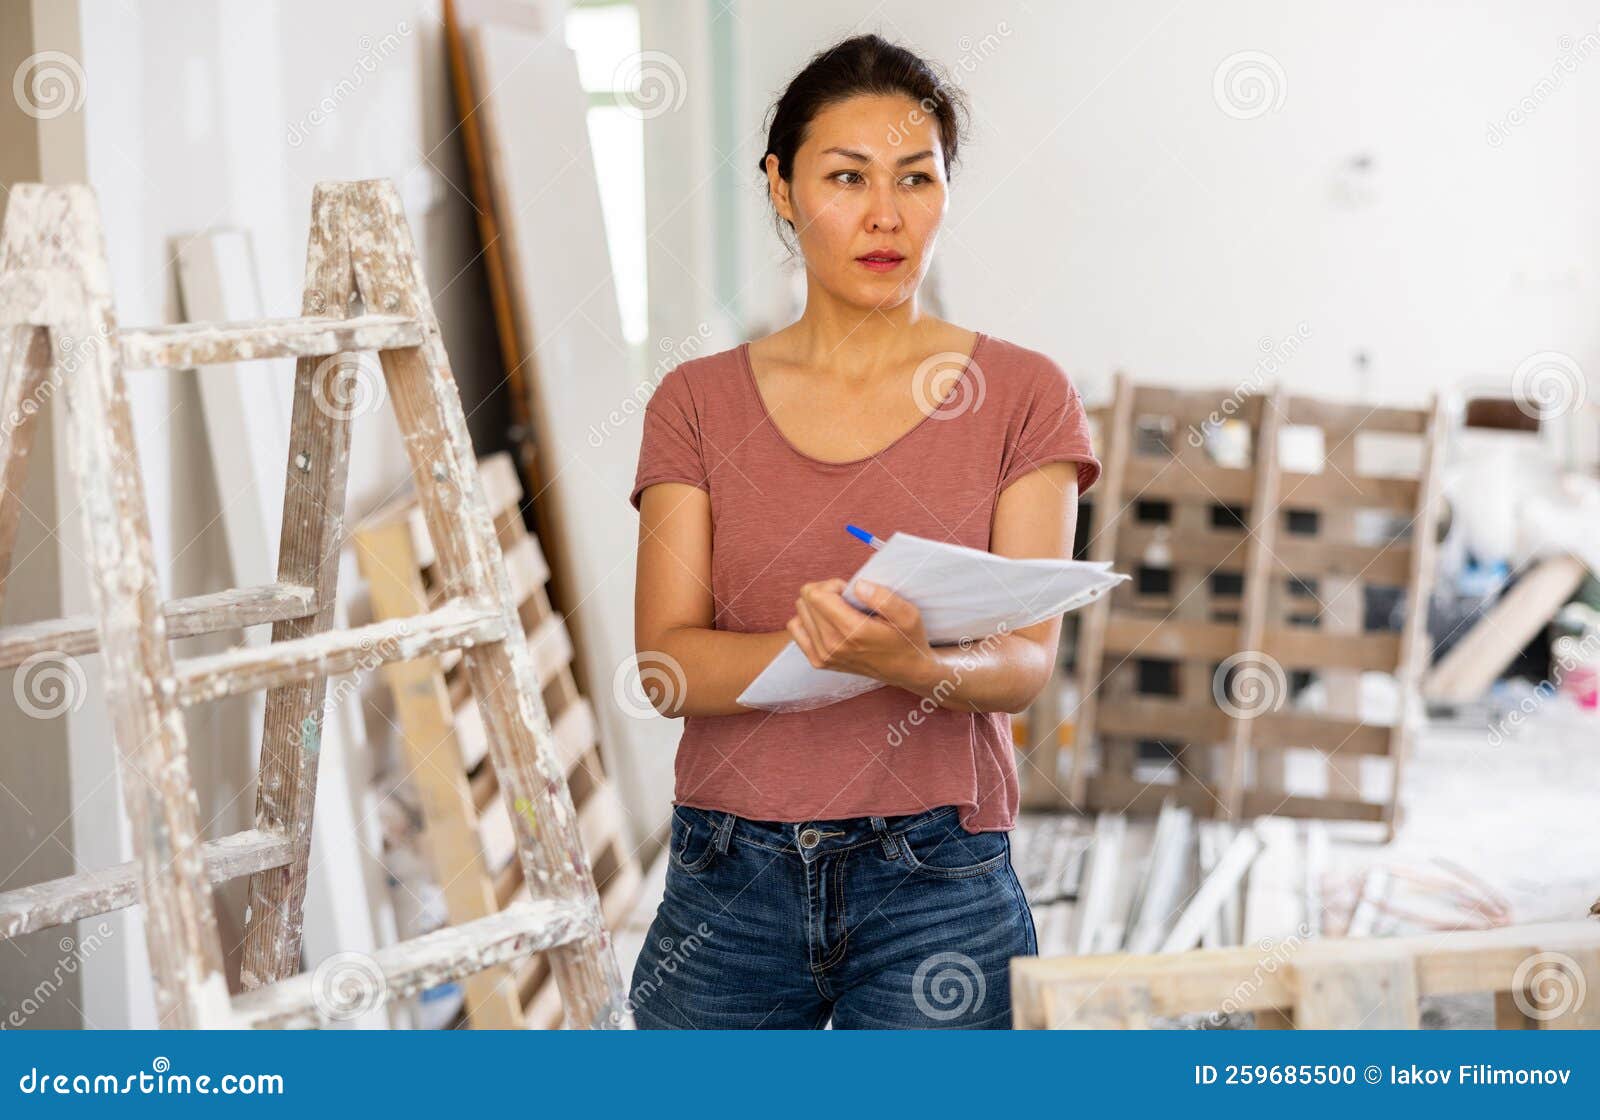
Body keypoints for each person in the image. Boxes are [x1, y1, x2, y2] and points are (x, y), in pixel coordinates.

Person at [626, 33, 1100, 1029]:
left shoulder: (1023, 395)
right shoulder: (695, 402)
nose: (886, 214)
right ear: (782, 188)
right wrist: (829, 651)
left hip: (938, 879)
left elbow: (1021, 667)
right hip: (726, 877)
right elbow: (664, 665)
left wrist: (910, 662)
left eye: (915, 178)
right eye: (847, 177)